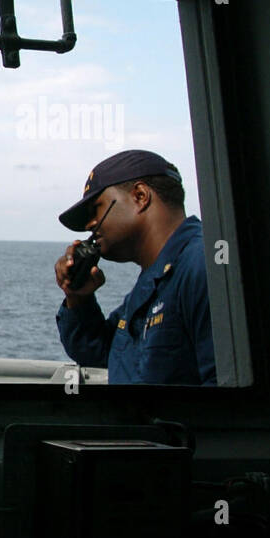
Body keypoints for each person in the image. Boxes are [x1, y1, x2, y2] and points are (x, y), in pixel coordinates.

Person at [54, 149, 215, 385]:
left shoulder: (203, 267)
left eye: (96, 209)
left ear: (140, 196)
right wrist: (78, 299)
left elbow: (227, 387)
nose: (90, 225)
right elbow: (100, 354)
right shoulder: (154, 282)